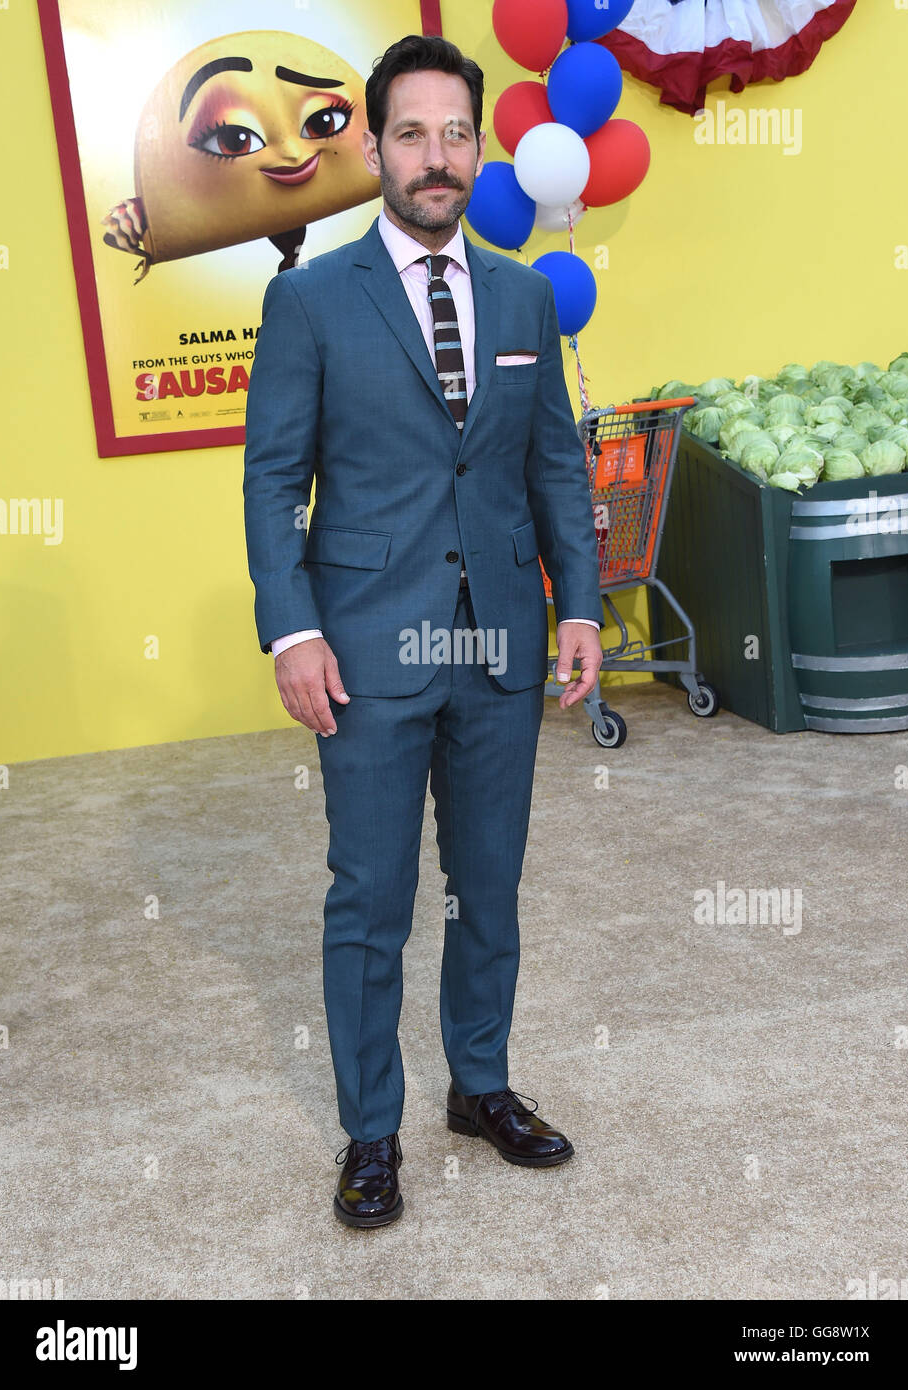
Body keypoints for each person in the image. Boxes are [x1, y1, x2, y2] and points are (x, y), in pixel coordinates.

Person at [243, 33, 604, 1229]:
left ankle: (482, 1084)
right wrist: (293, 633)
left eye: (457, 133)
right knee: (373, 894)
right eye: (412, 133)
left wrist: (584, 604)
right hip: (368, 647)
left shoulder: (519, 294)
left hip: (498, 642)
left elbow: (555, 462)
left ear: (479, 143)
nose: (437, 158)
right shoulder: (306, 301)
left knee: (488, 887)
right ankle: (369, 1128)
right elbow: (271, 480)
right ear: (378, 144)